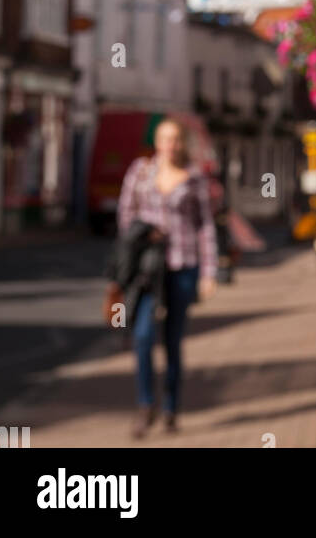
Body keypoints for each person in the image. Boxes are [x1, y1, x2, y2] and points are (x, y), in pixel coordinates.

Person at [116, 116, 218, 438]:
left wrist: (209, 272)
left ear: (182, 143)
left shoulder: (194, 178)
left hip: (183, 265)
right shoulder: (140, 172)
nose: (170, 145)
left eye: (176, 139)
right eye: (164, 138)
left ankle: (172, 408)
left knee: (173, 341)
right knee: (143, 337)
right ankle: (145, 406)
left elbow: (205, 225)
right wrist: (144, 235)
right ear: (156, 142)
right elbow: (125, 214)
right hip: (149, 268)